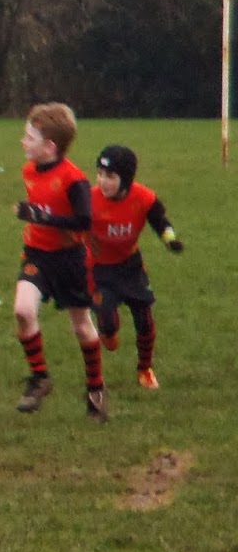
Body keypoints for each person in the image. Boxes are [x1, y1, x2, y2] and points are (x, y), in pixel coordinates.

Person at [11, 102, 106, 421]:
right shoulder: (28, 171)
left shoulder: (73, 179)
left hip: (70, 261)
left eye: (29, 137)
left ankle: (95, 389)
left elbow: (83, 221)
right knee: (23, 311)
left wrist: (42, 216)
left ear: (50, 146)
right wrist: (35, 217)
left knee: (81, 327)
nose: (23, 142)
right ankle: (40, 378)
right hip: (36, 255)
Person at [87, 144, 183, 390]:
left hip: (130, 267)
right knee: (107, 325)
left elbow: (161, 222)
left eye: (110, 176)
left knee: (144, 318)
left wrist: (170, 240)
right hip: (99, 270)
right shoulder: (89, 200)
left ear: (126, 180)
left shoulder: (143, 198)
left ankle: (145, 369)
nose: (103, 181)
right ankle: (108, 329)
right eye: (100, 174)